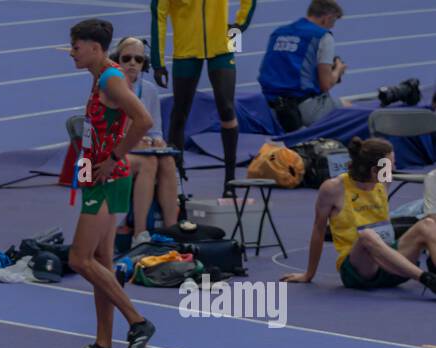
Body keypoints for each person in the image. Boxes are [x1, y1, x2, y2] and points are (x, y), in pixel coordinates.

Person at [61, 19, 157, 348]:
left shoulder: (111, 80)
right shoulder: (100, 77)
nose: (72, 52)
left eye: (76, 46)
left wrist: (114, 157)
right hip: (100, 177)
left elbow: (143, 120)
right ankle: (103, 347)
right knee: (100, 263)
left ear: (96, 49)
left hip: (108, 179)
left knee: (79, 260)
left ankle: (137, 321)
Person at [282, 137, 436, 294]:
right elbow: (318, 229)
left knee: (428, 224)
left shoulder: (383, 180)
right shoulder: (333, 188)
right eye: (390, 165)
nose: (394, 168)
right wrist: (309, 274)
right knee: (367, 236)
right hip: (360, 269)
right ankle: (427, 279)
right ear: (374, 170)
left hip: (392, 264)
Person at [150, 0, 256, 188]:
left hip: (223, 45)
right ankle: (176, 181)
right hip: (186, 49)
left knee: (227, 107)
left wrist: (240, 25)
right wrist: (158, 62)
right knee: (180, 112)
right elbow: (158, 14)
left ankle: (230, 180)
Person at [111, 37, 179, 244]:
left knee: (167, 160)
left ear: (144, 64)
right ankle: (139, 234)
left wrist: (158, 141)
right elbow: (110, 132)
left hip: (140, 149)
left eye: (138, 59)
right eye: (127, 58)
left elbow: (155, 130)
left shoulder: (148, 90)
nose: (132, 63)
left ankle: (172, 230)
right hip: (115, 154)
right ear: (117, 60)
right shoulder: (111, 86)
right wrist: (135, 141)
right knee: (149, 163)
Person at [259, 1, 347, 132]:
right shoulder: (322, 36)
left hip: (268, 107)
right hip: (300, 107)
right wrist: (338, 70)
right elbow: (325, 85)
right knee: (351, 111)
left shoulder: (279, 32)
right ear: (327, 18)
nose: (332, 27)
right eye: (333, 22)